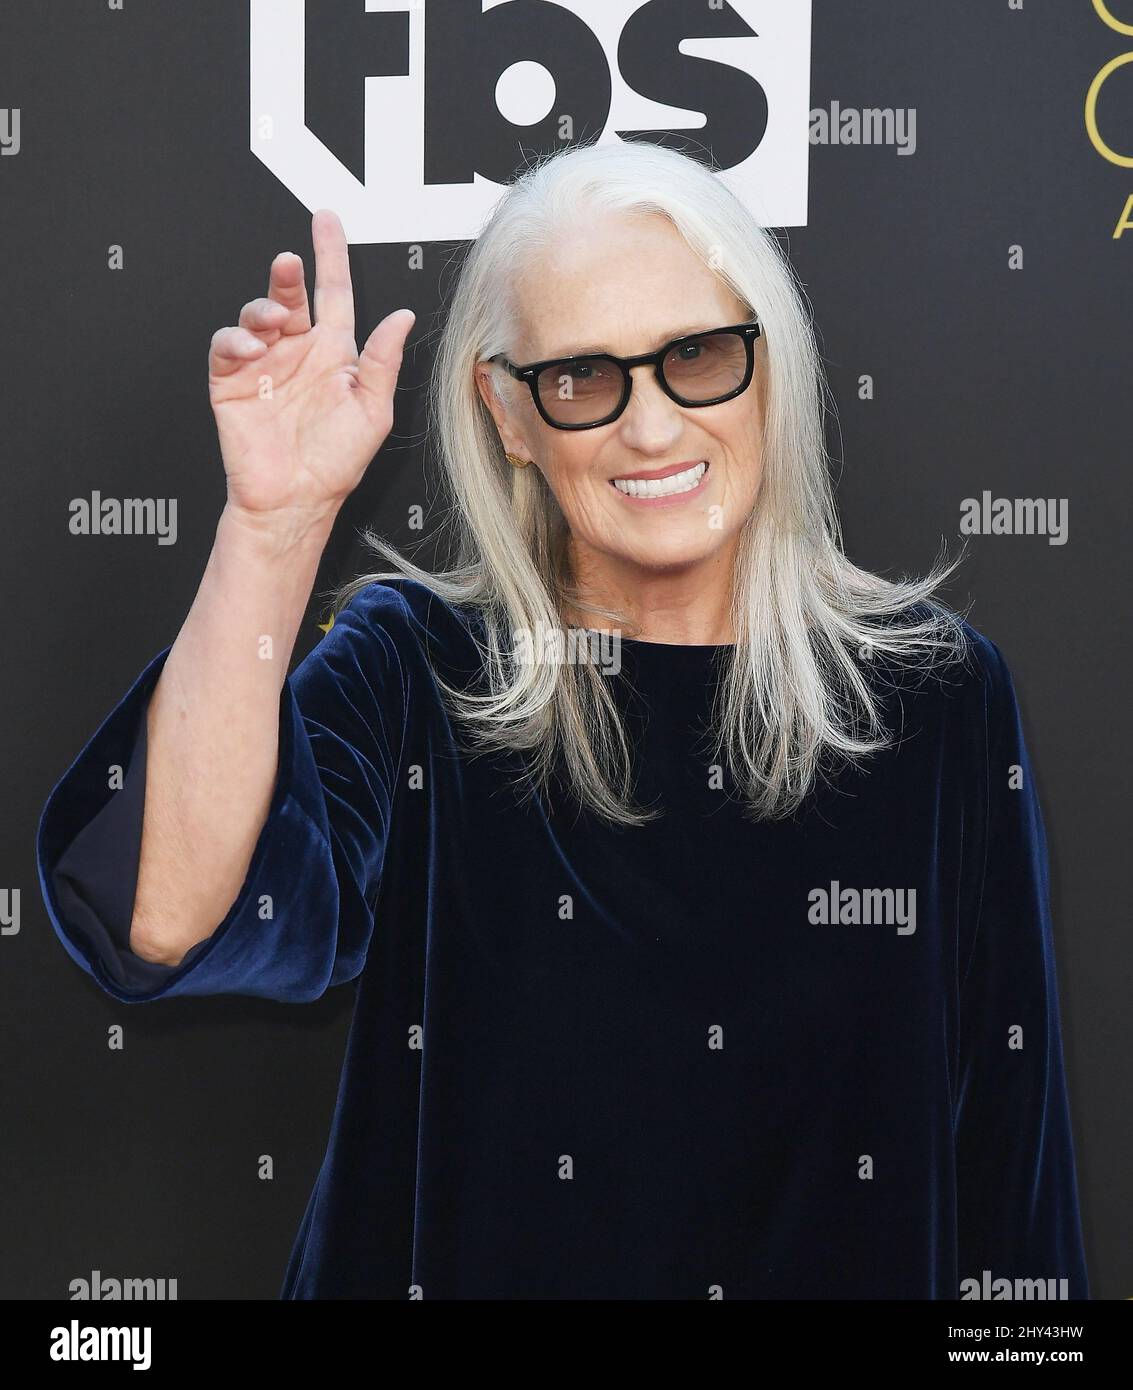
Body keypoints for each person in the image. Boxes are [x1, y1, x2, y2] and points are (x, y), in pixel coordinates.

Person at [36, 140, 1089, 1300]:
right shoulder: (420, 669)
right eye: (583, 378)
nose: (648, 429)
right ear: (507, 413)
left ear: (768, 363)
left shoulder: (934, 699)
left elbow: (1009, 1166)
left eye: (693, 355)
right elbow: (166, 914)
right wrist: (275, 530)